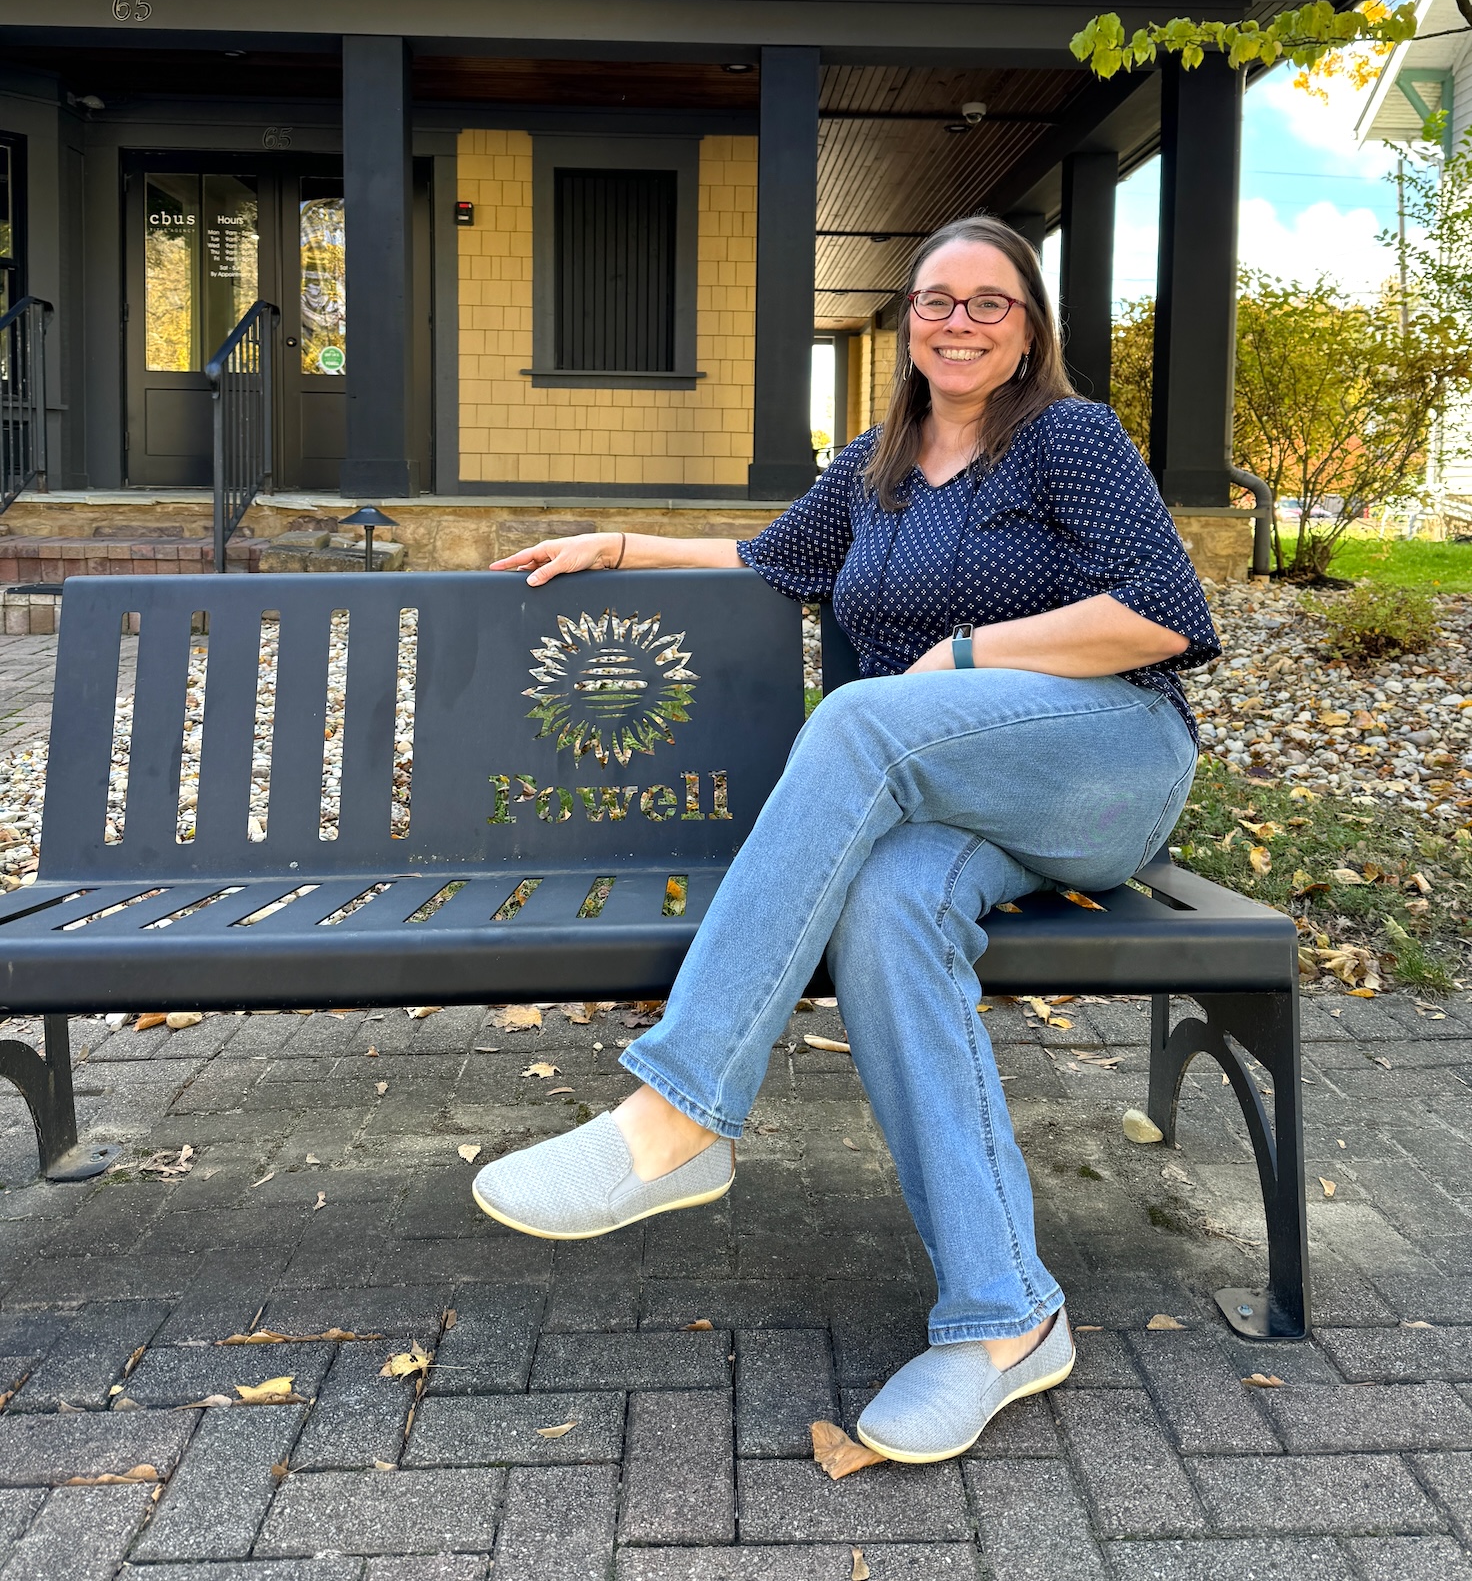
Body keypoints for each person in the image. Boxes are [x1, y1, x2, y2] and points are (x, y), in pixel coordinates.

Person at [470, 213, 1219, 1463]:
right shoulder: (876, 466)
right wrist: (617, 543)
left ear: (1029, 324)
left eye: (989, 301)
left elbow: (1165, 610)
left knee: (863, 714)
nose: (960, 321)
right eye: (937, 299)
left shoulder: (1068, 438)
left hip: (1104, 768)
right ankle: (1007, 1318)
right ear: (907, 320)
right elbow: (766, 558)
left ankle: (681, 1114)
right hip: (956, 800)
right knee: (885, 905)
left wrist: (969, 651)